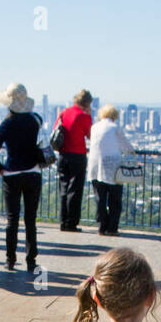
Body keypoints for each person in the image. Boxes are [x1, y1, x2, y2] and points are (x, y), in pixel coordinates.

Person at [0, 83, 43, 275]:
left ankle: (10, 259)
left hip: (12, 175)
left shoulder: (7, 123)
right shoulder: (35, 120)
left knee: (12, 220)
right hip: (33, 172)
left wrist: (0, 169)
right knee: (30, 219)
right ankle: (31, 260)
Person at [87, 105, 136, 236]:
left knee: (100, 198)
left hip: (94, 166)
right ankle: (112, 228)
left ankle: (102, 226)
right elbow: (126, 146)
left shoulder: (94, 127)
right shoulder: (115, 128)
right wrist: (131, 152)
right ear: (115, 116)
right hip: (112, 167)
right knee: (115, 199)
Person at [56, 89, 93, 231]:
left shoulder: (63, 113)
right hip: (77, 156)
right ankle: (71, 223)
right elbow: (90, 135)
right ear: (87, 103)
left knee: (64, 189)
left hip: (63, 155)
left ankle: (63, 221)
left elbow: (57, 130)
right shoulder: (83, 116)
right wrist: (89, 116)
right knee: (75, 190)